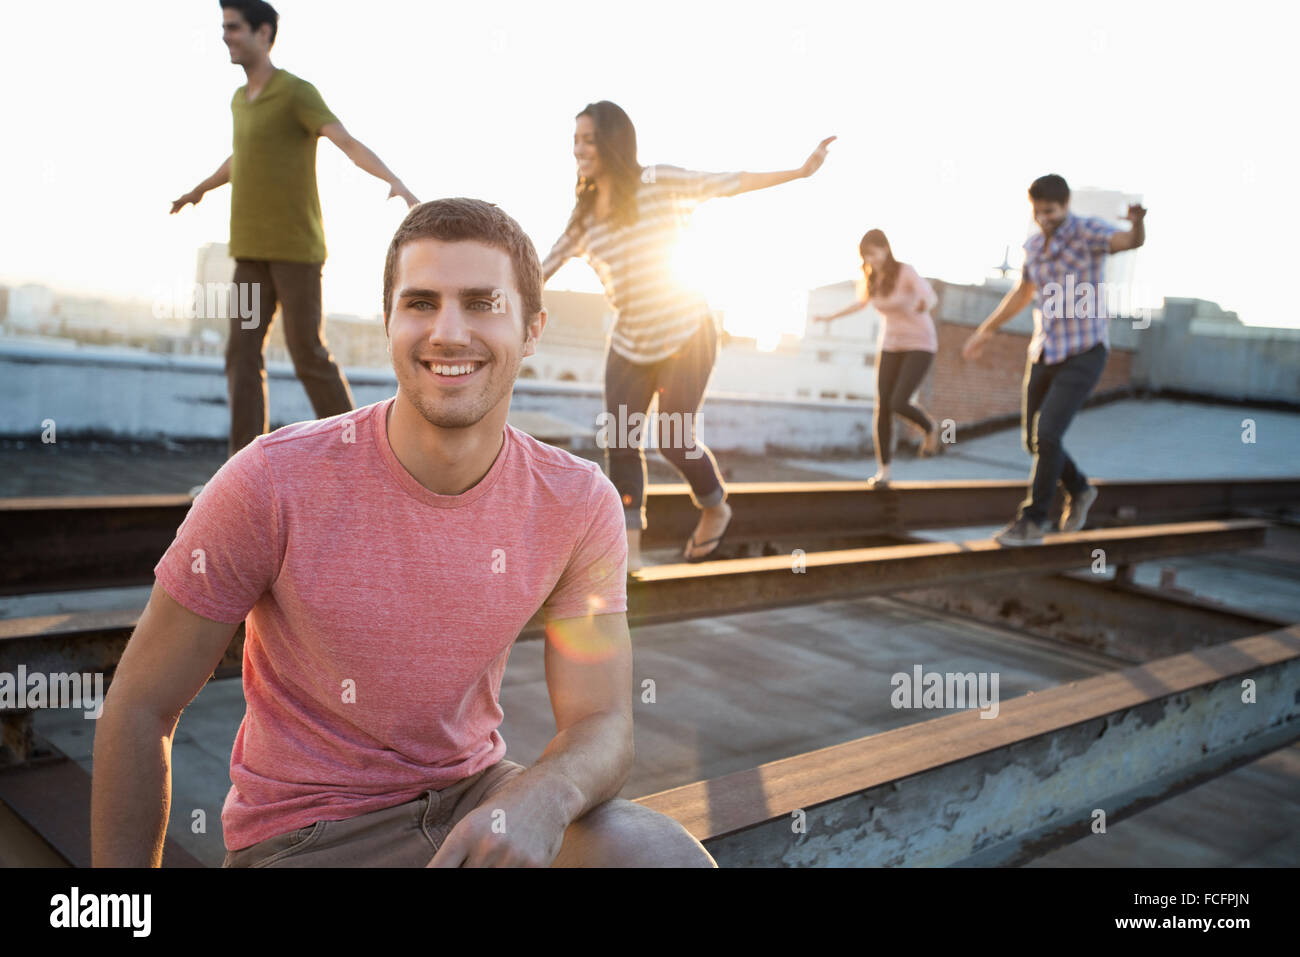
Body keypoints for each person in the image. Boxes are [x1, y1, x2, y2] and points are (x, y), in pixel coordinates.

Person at [91, 198, 714, 868]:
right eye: (420, 302)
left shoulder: (578, 499)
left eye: (482, 303)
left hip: (476, 796)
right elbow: (140, 704)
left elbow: (602, 721)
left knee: (666, 858)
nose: (448, 331)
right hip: (309, 832)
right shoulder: (271, 481)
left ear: (532, 327)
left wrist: (544, 792)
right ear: (389, 320)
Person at [541, 101, 835, 571]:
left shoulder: (658, 182)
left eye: (589, 139)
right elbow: (539, 271)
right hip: (630, 342)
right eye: (575, 140)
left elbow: (728, 183)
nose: (579, 149)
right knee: (621, 442)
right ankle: (630, 556)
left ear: (613, 142)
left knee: (674, 440)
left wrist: (799, 172)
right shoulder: (583, 219)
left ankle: (716, 506)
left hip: (687, 332)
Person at [170, 0, 419, 458]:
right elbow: (241, 157)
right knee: (241, 354)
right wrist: (198, 191)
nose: (226, 35)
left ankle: (359, 452)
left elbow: (343, 139)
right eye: (223, 27)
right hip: (250, 255)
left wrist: (395, 182)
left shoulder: (296, 92)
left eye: (235, 27)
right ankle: (242, 464)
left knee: (307, 354)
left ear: (264, 33)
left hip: (296, 254)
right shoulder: (238, 100)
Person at [962, 174, 1147, 546]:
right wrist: (986, 329)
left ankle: (1033, 521)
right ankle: (1079, 489)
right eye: (1037, 212)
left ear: (1064, 205)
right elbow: (1021, 292)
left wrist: (1138, 222)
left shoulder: (1088, 232)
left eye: (1049, 211)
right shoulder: (1033, 246)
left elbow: (1128, 241)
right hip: (1045, 350)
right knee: (1034, 442)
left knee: (1048, 434)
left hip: (1084, 350)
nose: (1043, 218)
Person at [813, 229, 941, 487]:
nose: (870, 260)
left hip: (920, 344)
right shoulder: (871, 278)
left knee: (898, 402)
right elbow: (858, 304)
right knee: (882, 407)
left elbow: (930, 296)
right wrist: (828, 319)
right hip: (891, 345)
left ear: (885, 248)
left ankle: (930, 428)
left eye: (873, 253)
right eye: (866, 256)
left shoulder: (906, 271)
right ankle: (884, 471)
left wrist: (924, 305)